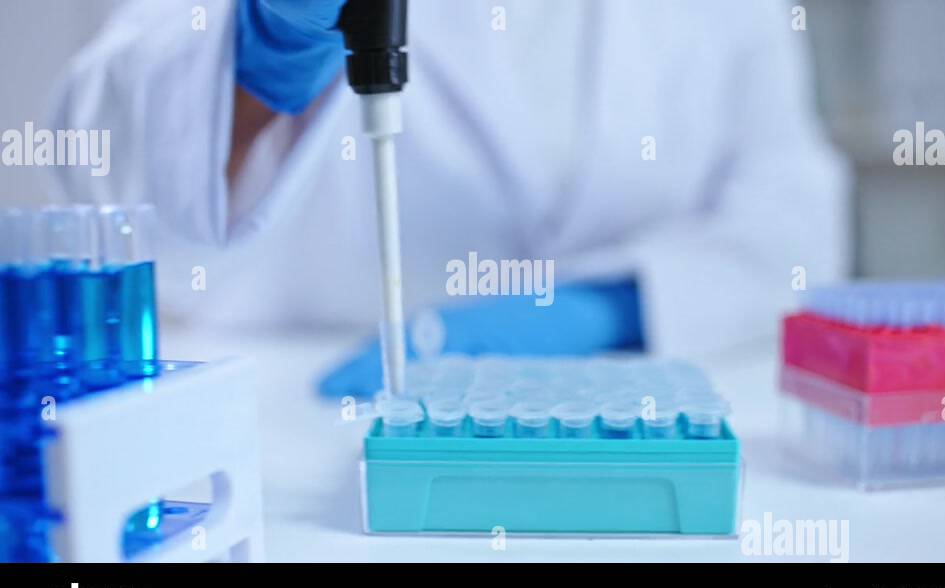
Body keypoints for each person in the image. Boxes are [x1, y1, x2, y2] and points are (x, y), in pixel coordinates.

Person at [49, 0, 848, 398]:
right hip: (304, 406)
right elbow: (99, 150)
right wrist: (258, 52)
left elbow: (794, 219)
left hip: (624, 398)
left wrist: (606, 308)